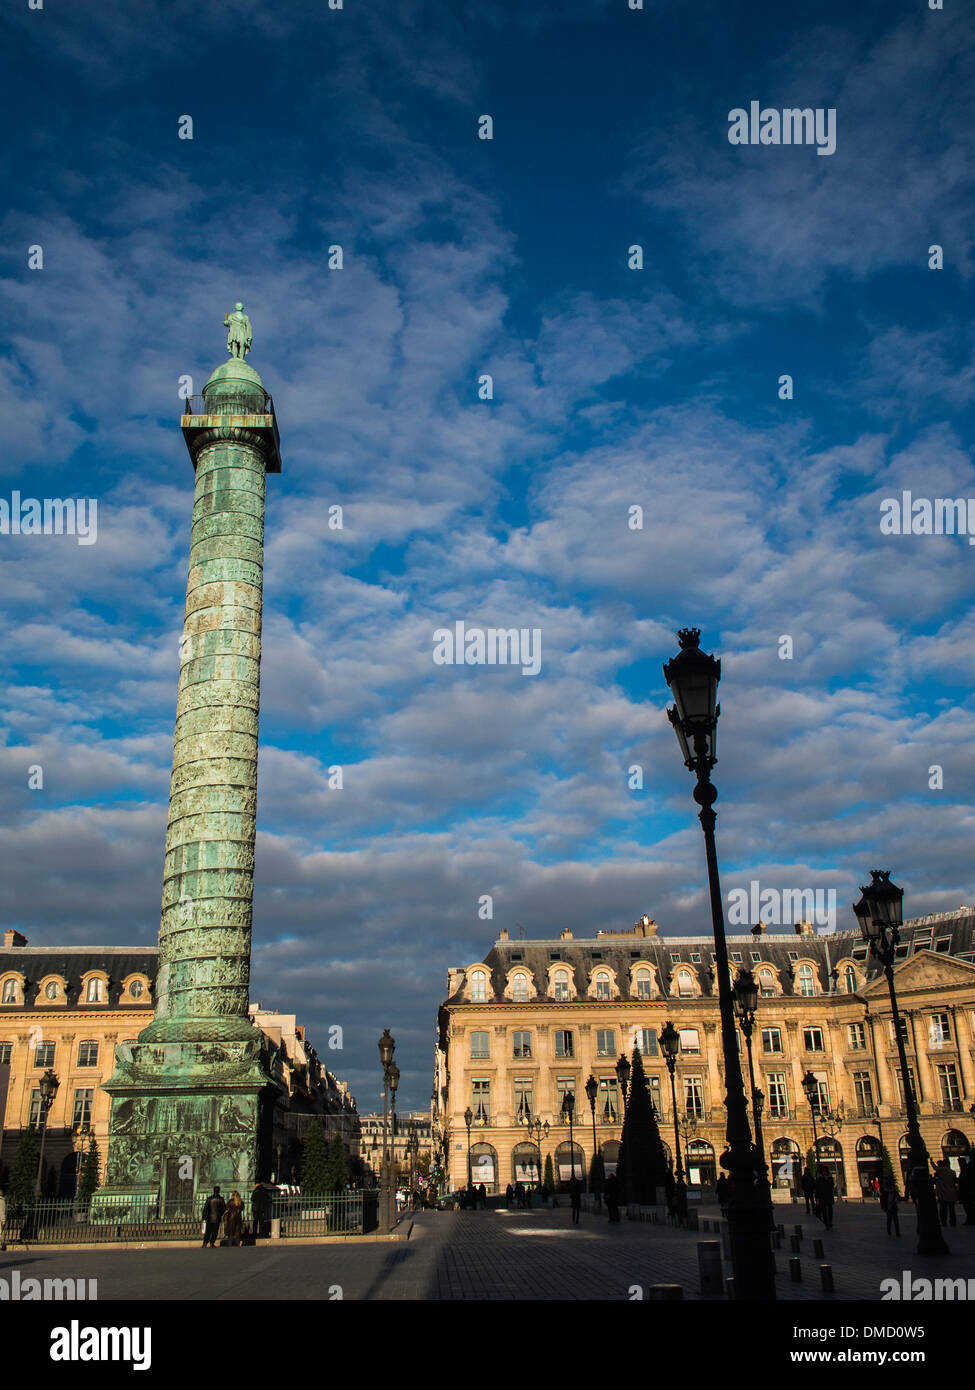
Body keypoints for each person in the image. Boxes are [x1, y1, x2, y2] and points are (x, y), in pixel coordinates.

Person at [933, 1159, 958, 1227]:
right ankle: (953, 1222)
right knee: (951, 1209)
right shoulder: (953, 1172)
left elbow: (935, 1168)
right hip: (951, 1192)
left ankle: (943, 1222)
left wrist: (931, 1161)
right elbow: (955, 1181)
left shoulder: (942, 1171)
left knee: (943, 1209)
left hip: (943, 1192)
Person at [958, 1155, 975, 1226]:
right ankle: (970, 1219)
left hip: (967, 1192)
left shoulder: (967, 1168)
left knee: (969, 1207)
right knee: (969, 1207)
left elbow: (965, 1180)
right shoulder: (967, 1167)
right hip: (968, 1191)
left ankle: (971, 1220)